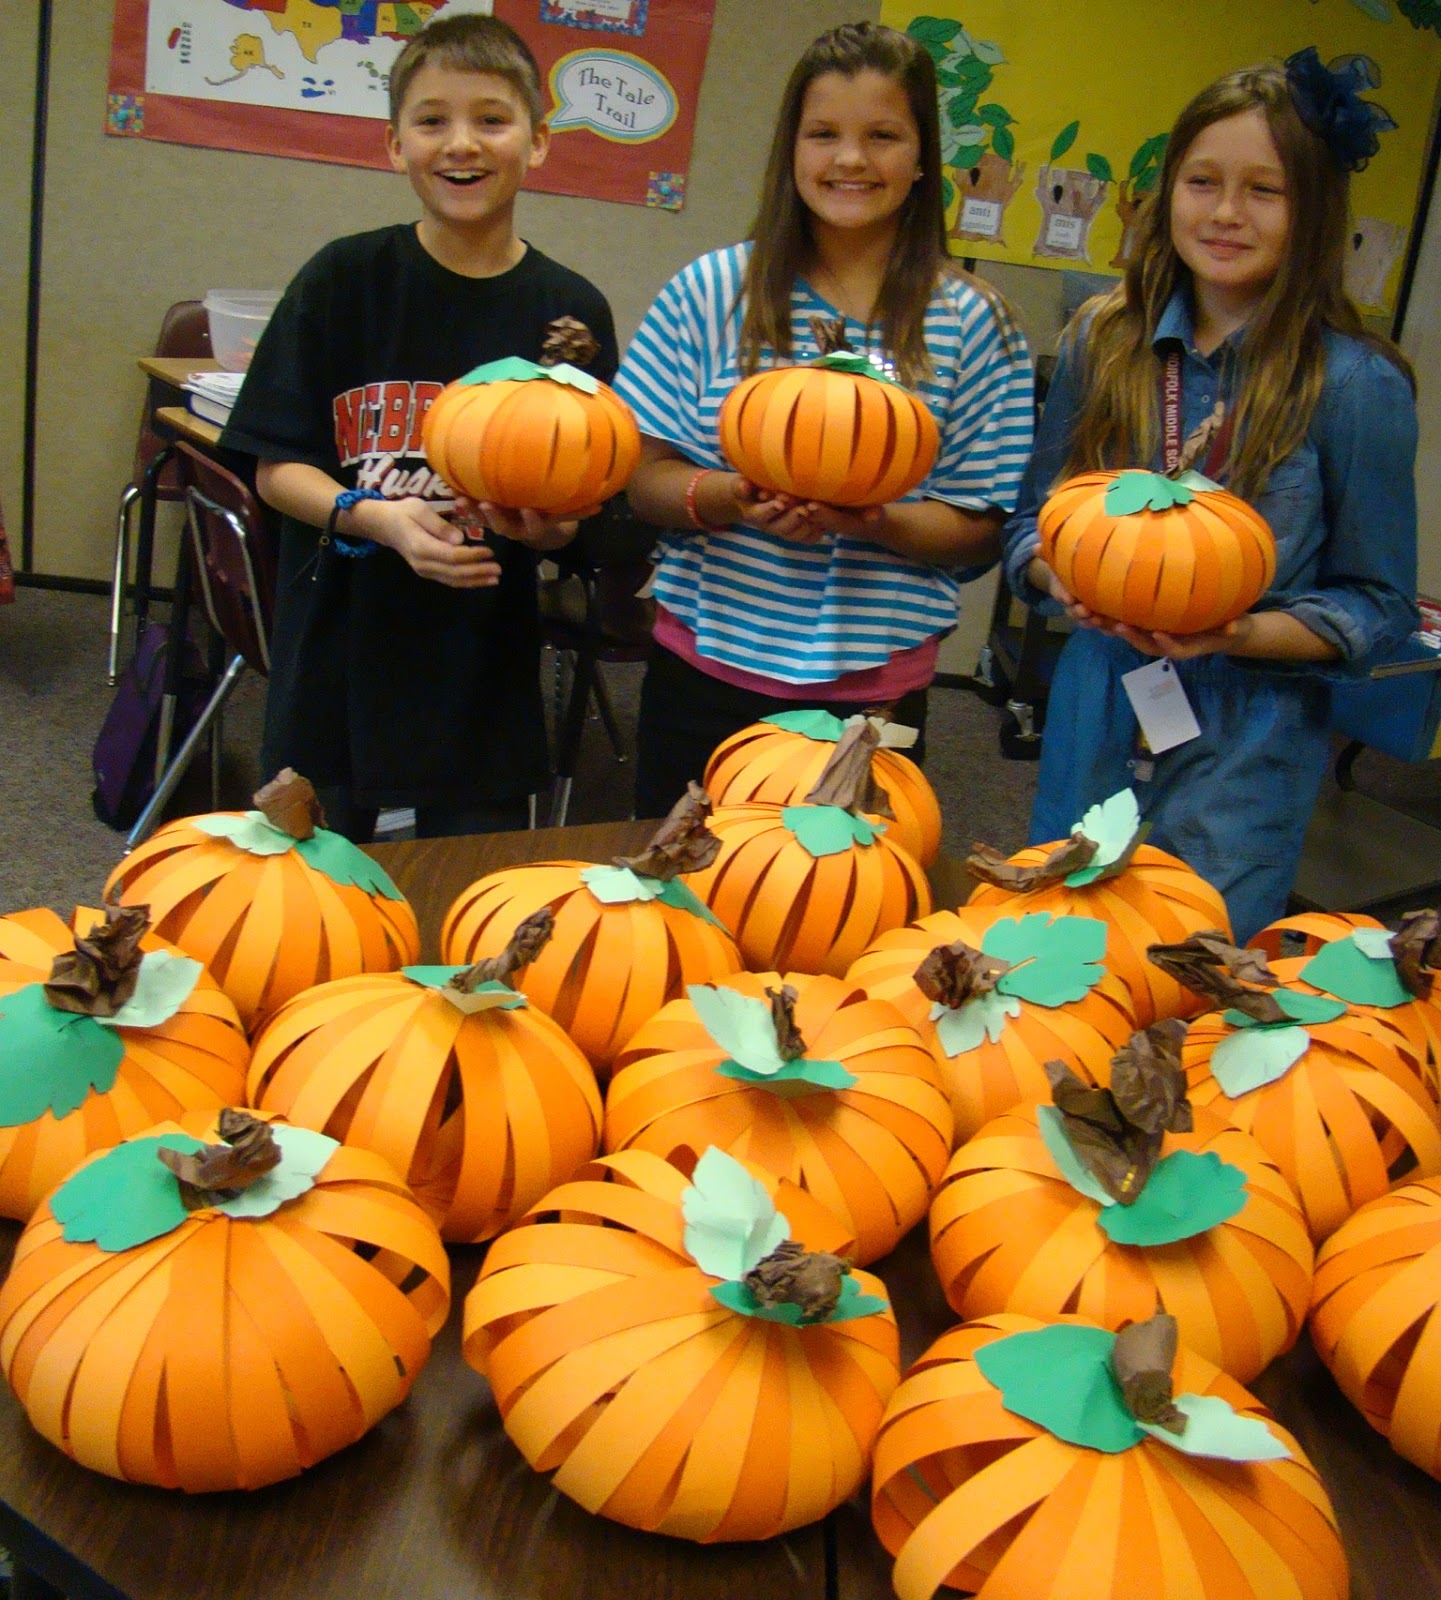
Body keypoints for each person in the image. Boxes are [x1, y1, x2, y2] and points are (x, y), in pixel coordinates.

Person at [1004, 50, 1418, 943]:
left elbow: (1376, 607)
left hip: (1249, 728)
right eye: (1202, 181)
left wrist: (1233, 630)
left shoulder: (1354, 387)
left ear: (1311, 213)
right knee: (1055, 944)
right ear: (1168, 194)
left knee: (1192, 961)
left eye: (1263, 190)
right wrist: (1054, 578)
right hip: (1102, 696)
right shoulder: (1102, 342)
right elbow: (1026, 523)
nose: (1225, 213)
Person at [613, 20, 1034, 815]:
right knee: (673, 898)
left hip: (872, 692)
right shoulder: (710, 292)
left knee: (832, 908)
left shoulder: (978, 322)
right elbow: (641, 477)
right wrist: (729, 498)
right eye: (823, 134)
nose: (850, 159)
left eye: (882, 135)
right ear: (790, 151)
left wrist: (869, 519)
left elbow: (979, 527)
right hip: (703, 669)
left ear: (920, 160)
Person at [221, 13, 618, 842]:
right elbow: (274, 467)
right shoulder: (343, 279)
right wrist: (374, 518)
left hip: (478, 666)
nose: (461, 144)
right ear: (394, 145)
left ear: (538, 141)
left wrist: (548, 528)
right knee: (309, 892)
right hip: (337, 652)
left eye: (492, 119)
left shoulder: (568, 313)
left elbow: (588, 507)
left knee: (462, 901)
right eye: (432, 121)